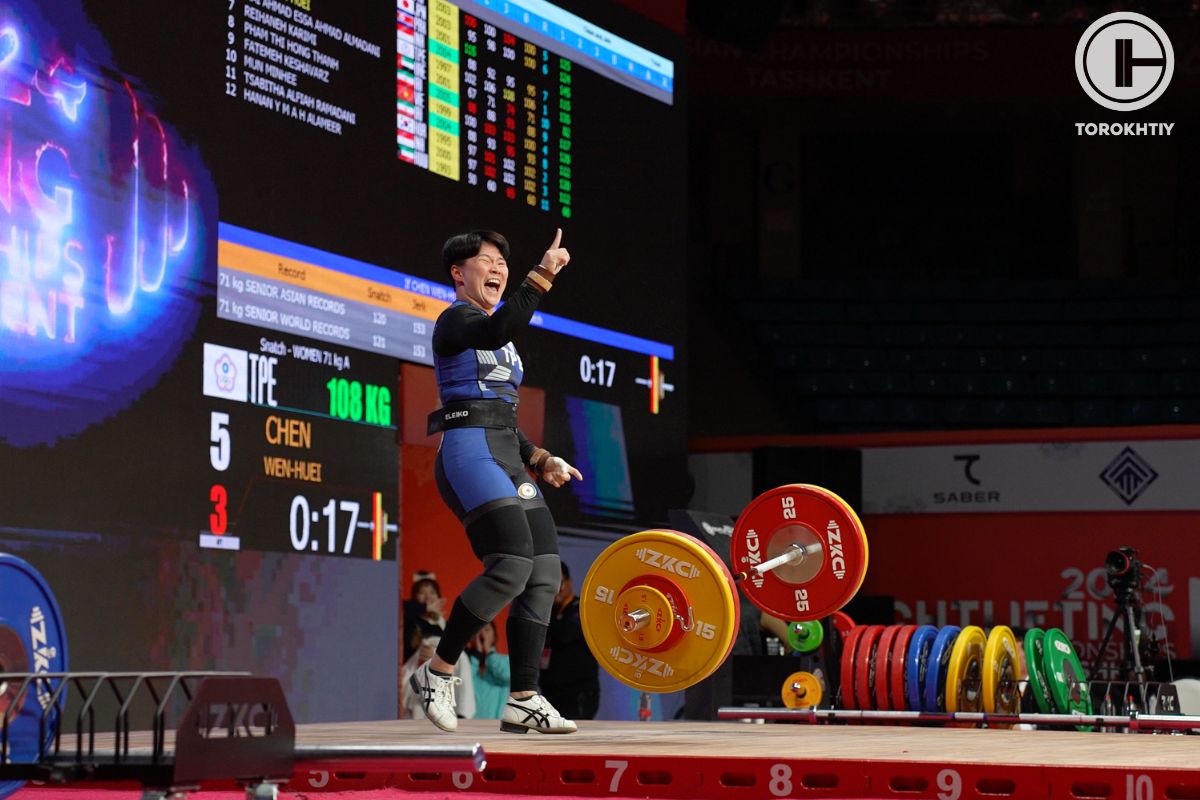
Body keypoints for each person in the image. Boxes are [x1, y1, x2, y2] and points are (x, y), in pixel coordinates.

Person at [410, 228, 582, 734]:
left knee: (545, 569)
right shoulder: (457, 320)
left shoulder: (496, 334)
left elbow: (502, 414)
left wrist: (539, 456)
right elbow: (496, 331)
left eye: (504, 262)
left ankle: (524, 697)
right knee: (510, 564)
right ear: (459, 274)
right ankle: (437, 673)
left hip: (504, 453)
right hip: (467, 454)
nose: (499, 268)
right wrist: (543, 274)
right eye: (487, 260)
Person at [539, 561, 599, 719]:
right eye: (549, 584)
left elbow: (565, 634)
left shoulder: (582, 608)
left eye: (558, 582)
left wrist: (542, 606)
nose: (555, 589)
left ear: (569, 582)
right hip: (551, 691)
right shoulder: (550, 612)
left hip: (578, 693)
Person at [466, 621, 511, 718]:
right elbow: (464, 683)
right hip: (469, 722)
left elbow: (506, 675)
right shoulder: (466, 661)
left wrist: (489, 653)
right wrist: (477, 655)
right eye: (478, 630)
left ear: (494, 636)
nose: (482, 633)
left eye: (486, 629)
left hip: (495, 723)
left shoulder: (505, 660)